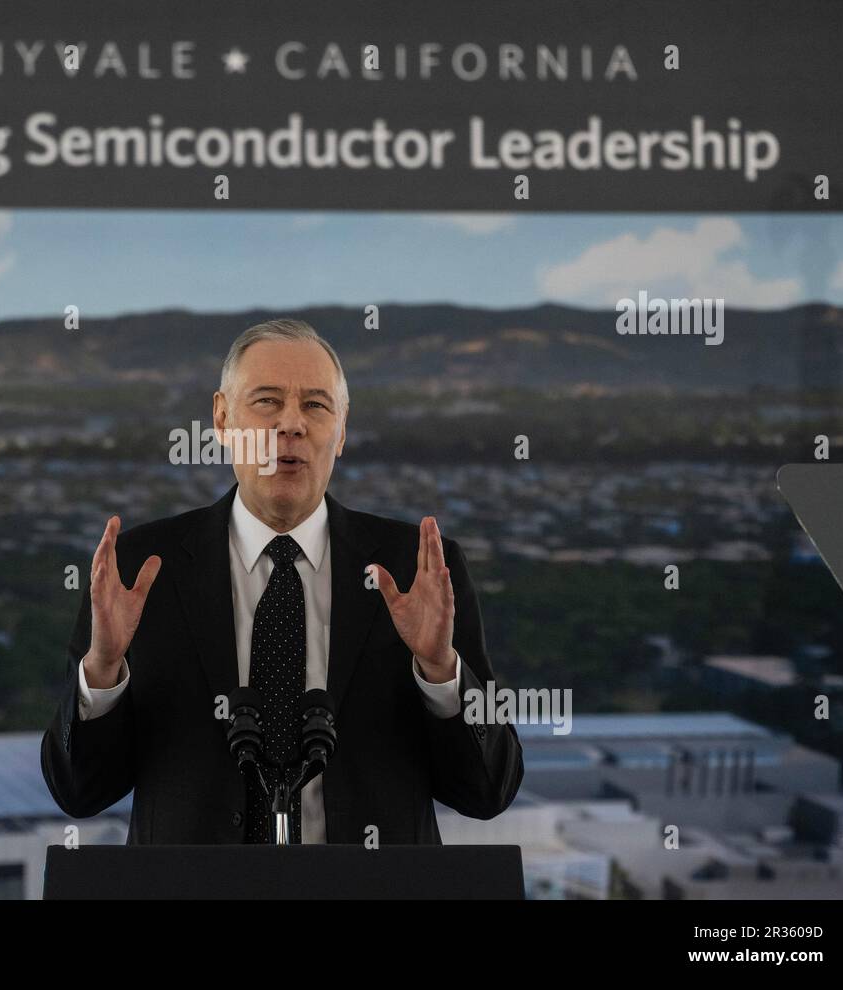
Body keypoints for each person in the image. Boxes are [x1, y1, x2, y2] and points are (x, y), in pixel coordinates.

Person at [41, 318, 523, 843]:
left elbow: (488, 791)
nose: (290, 424)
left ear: (341, 431)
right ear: (222, 420)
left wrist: (439, 672)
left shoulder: (418, 570)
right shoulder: (138, 569)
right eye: (267, 401)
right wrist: (105, 671)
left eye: (316, 405)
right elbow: (79, 793)